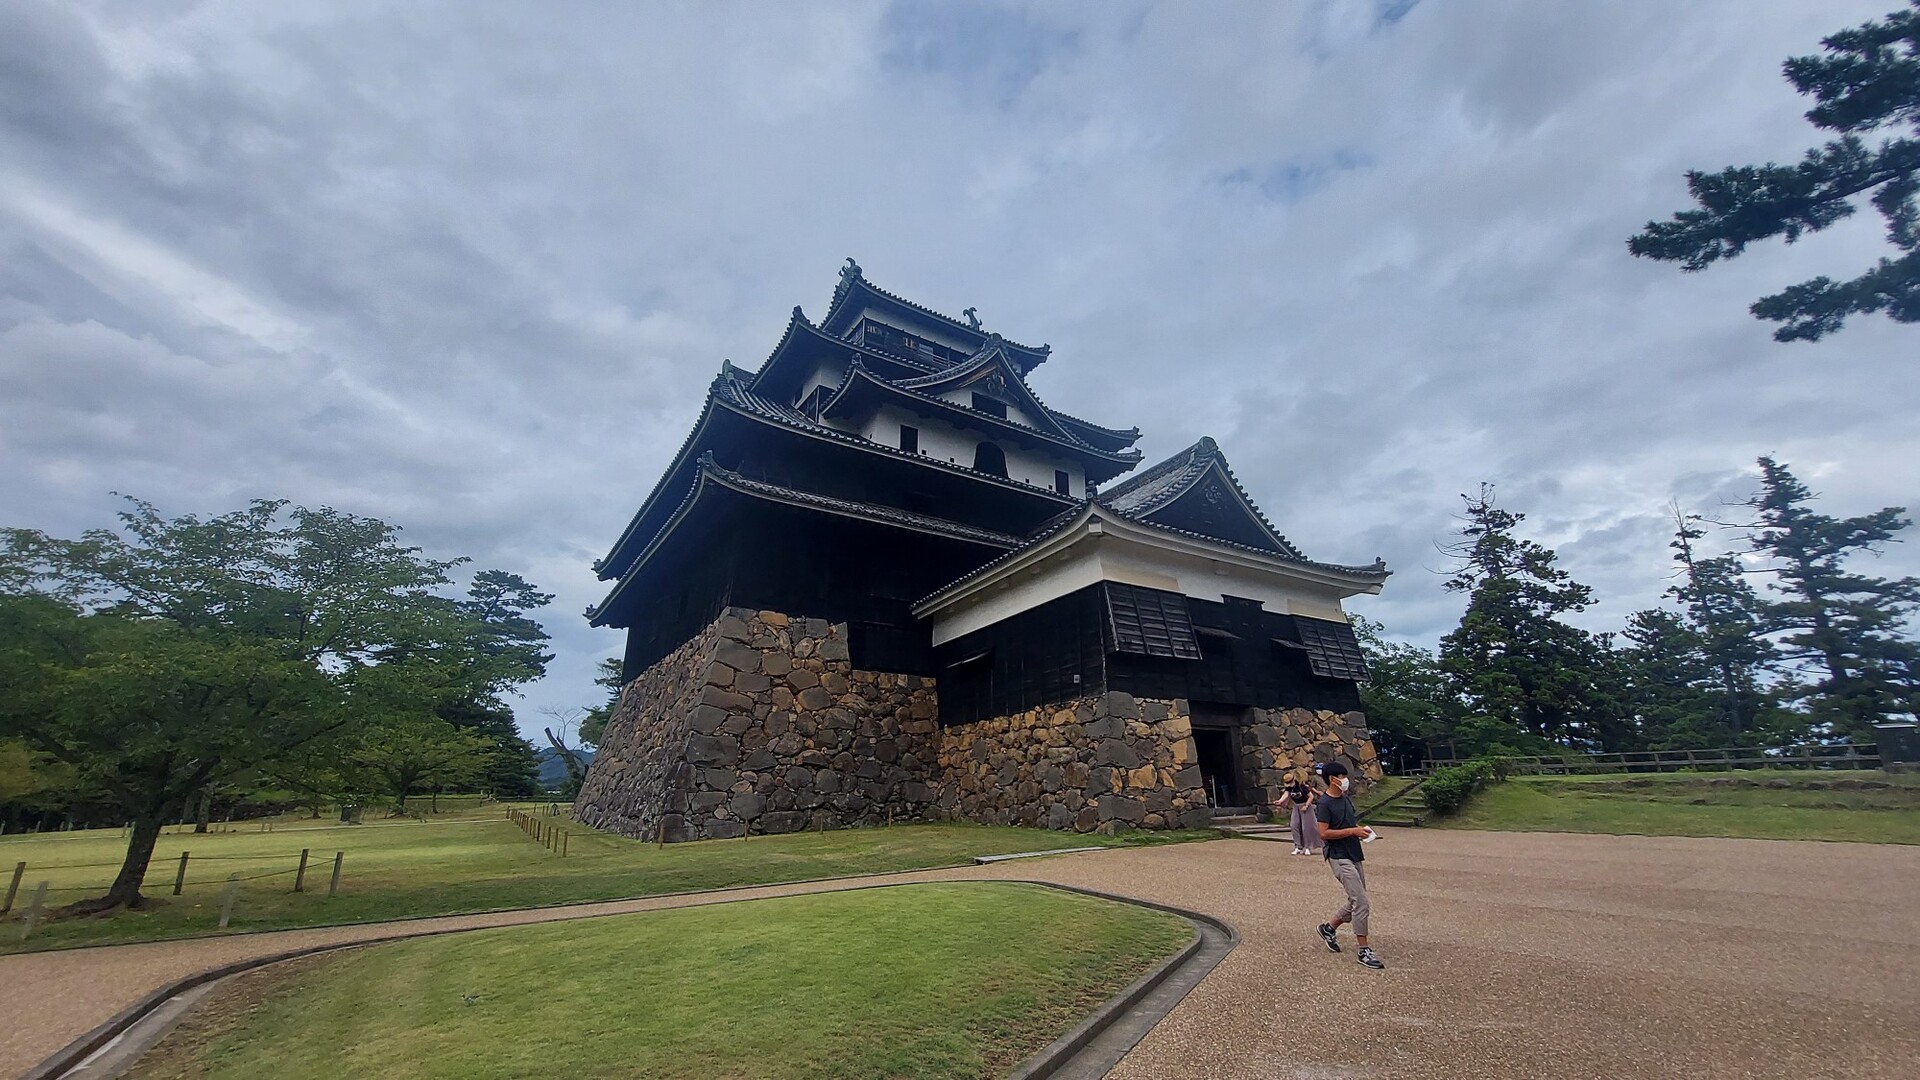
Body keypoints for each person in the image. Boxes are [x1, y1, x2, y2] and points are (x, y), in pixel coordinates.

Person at [1313, 761, 1384, 969]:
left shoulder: (1345, 800)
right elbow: (1323, 833)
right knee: (1361, 901)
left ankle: (1329, 928)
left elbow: (1349, 825)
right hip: (1338, 855)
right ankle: (1363, 949)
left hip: (1354, 852)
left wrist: (1362, 831)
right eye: (1341, 776)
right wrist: (1352, 832)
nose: (1345, 780)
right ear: (1331, 779)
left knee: (1356, 898)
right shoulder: (1324, 803)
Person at [1271, 773, 1318, 855]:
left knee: (1306, 827)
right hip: (1296, 806)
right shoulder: (1289, 788)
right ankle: (1298, 846)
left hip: (1305, 805)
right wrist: (1280, 801)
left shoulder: (1301, 786)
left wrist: (1306, 805)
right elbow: (1287, 794)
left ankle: (1307, 847)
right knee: (1294, 825)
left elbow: (1311, 796)